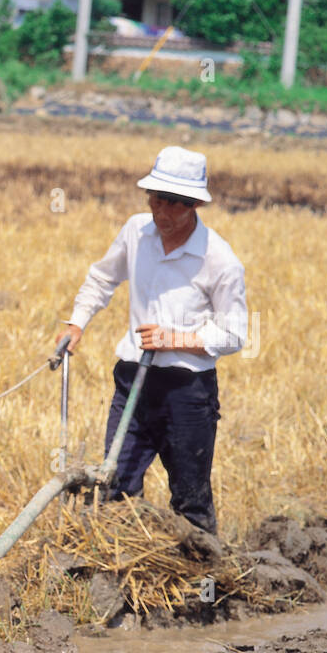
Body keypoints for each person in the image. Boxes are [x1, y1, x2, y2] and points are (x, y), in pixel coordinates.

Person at [57, 145, 248, 535]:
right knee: (115, 489)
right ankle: (115, 578)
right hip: (132, 382)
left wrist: (174, 338)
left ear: (194, 204)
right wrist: (77, 323)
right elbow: (102, 278)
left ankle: (203, 583)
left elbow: (236, 332)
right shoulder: (136, 232)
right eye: (157, 199)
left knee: (190, 500)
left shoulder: (220, 260)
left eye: (175, 204)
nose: (162, 212)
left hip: (186, 391)